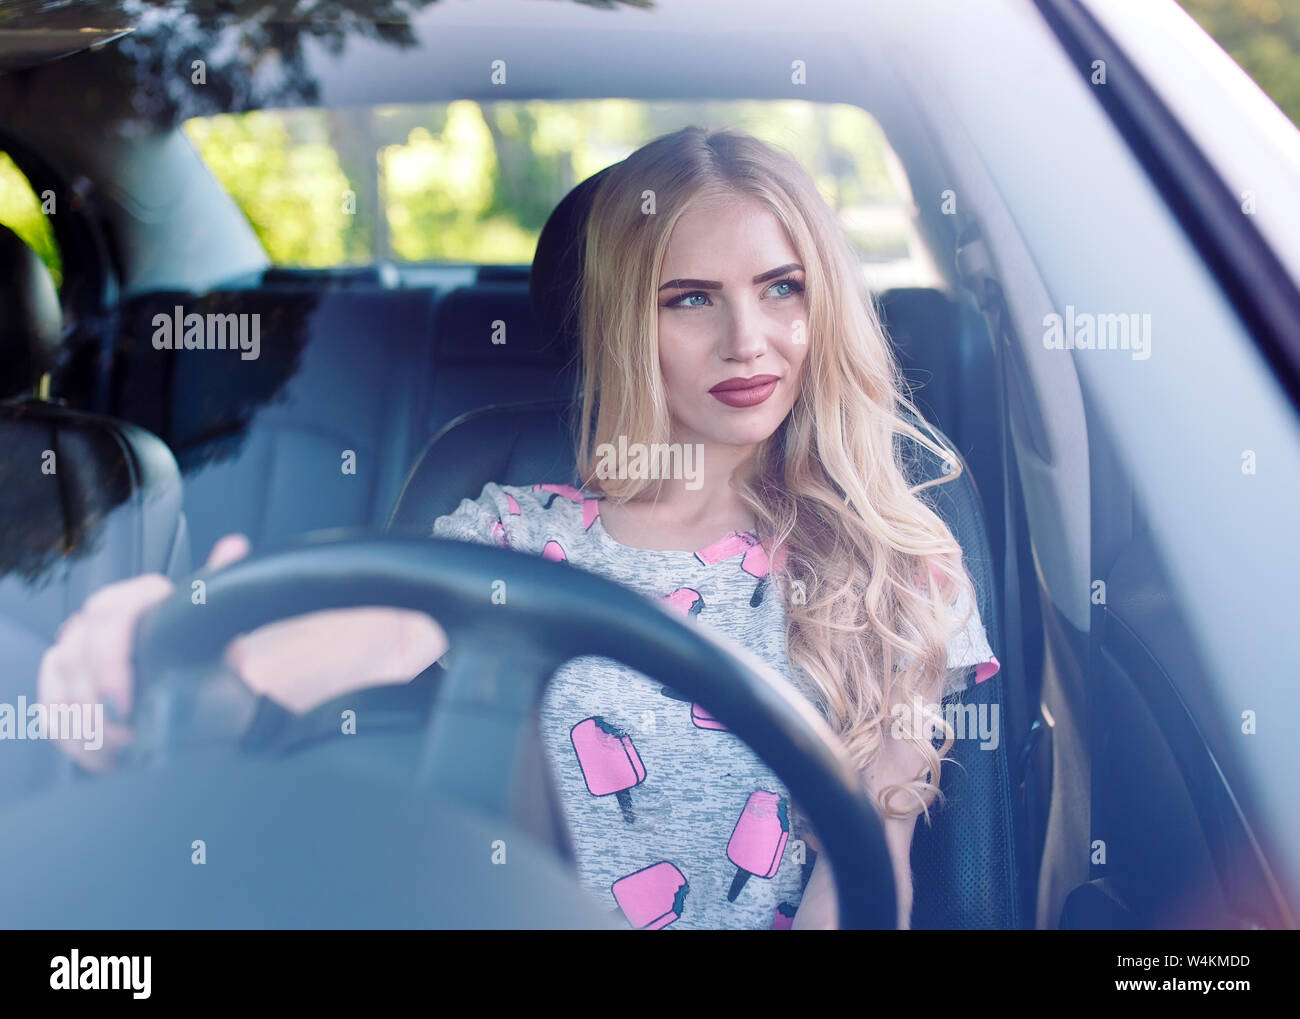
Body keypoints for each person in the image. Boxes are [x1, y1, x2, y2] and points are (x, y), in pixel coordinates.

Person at [38, 126, 999, 931]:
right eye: (691, 298)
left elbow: (873, 875)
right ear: (629, 320)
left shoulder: (898, 566)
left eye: (781, 287)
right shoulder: (515, 533)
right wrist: (165, 656)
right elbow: (360, 634)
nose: (747, 340)